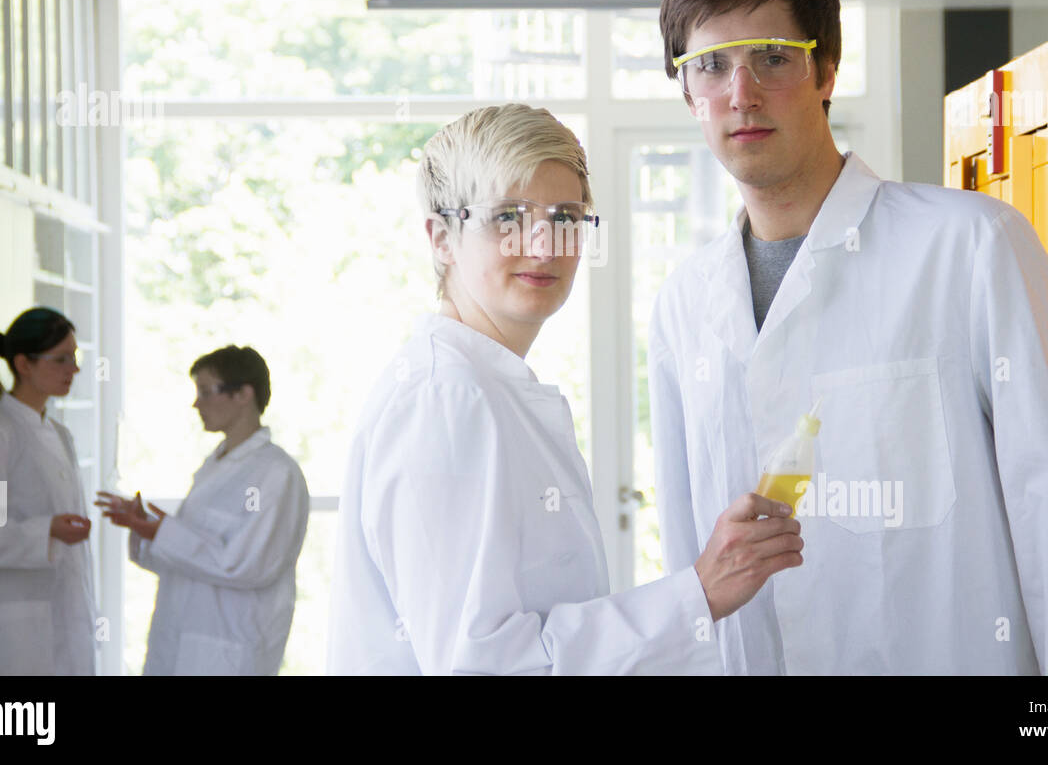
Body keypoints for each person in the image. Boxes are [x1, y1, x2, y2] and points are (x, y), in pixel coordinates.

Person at [648, 0, 1048, 674]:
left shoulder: (973, 248)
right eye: (711, 65)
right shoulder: (684, 305)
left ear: (827, 72)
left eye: (773, 58)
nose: (741, 93)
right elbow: (693, 554)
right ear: (688, 91)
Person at [328, 103, 805, 675]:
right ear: (441, 238)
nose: (544, 241)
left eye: (565, 216)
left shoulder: (489, 388)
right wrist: (698, 594)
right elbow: (482, 665)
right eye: (507, 215)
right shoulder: (445, 399)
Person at [96, 345, 308, 675]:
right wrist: (146, 529)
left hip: (228, 649)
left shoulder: (276, 473)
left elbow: (244, 564)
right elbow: (189, 558)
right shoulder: (215, 466)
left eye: (206, 392)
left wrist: (163, 531)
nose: (197, 403)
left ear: (243, 394)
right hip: (183, 638)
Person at [0, 307, 96, 675]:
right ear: (24, 364)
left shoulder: (59, 435)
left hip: (61, 614)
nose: (74, 369)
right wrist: (45, 530)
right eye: (62, 359)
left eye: (75, 358)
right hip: (12, 633)